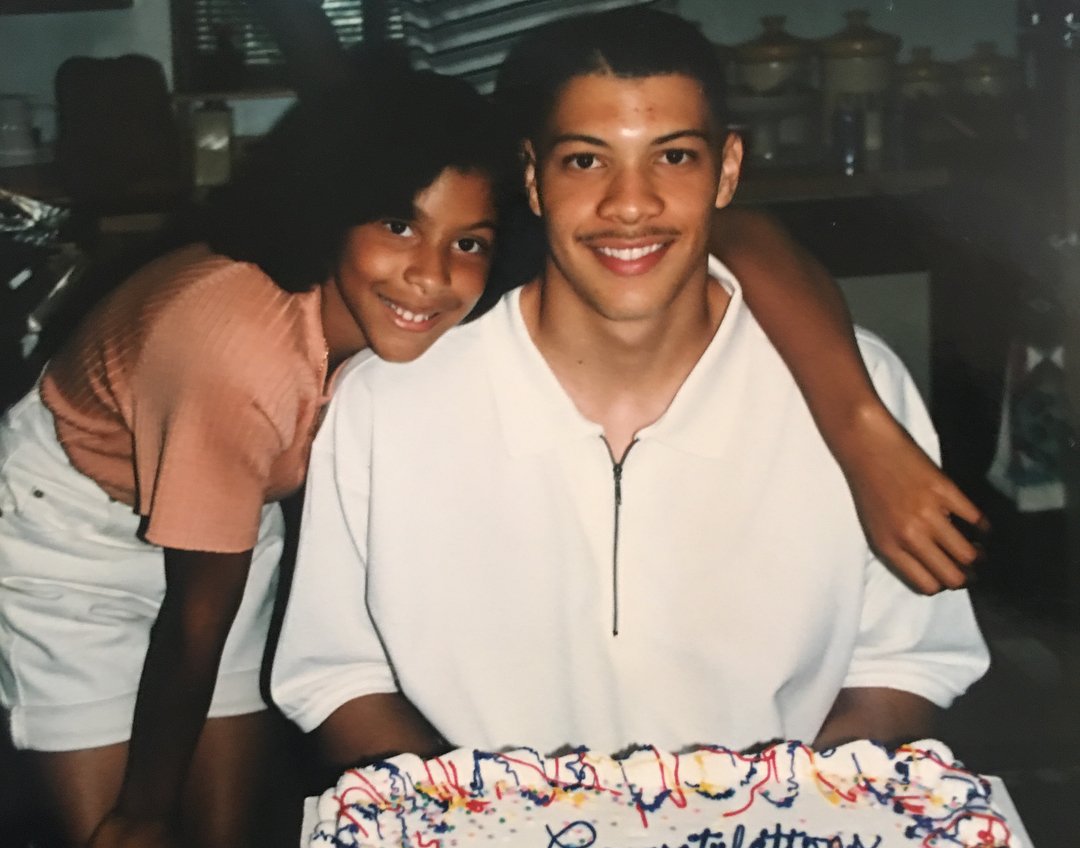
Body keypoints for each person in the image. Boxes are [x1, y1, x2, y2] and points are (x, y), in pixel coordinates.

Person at [270, 8, 990, 766]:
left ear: (729, 169)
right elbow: (338, 674)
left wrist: (777, 808)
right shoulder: (387, 404)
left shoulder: (862, 386)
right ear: (532, 178)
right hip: (479, 833)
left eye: (673, 156)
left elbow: (903, 662)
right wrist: (489, 817)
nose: (630, 204)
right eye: (586, 161)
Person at [0, 67, 514, 848]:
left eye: (469, 242)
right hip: (67, 537)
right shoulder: (232, 341)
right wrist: (139, 822)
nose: (430, 274)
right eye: (397, 224)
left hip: (224, 522)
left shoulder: (403, 328)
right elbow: (197, 612)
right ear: (331, 208)